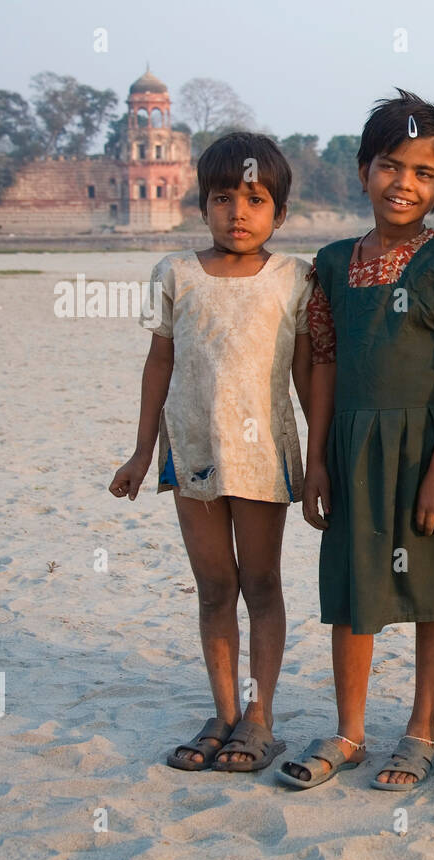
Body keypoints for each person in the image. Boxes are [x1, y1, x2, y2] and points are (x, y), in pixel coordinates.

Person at [275, 90, 434, 792]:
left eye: (424, 173)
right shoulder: (332, 263)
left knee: (432, 590)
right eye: (391, 166)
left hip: (429, 448)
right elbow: (323, 363)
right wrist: (316, 461)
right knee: (354, 588)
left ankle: (422, 731)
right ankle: (349, 732)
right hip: (352, 450)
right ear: (363, 170)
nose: (405, 183)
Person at [109, 131, 312, 773]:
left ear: (280, 212)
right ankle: (223, 714)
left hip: (263, 456)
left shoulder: (294, 277)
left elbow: (307, 374)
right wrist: (141, 452)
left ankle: (259, 717)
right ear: (202, 206)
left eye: (255, 200)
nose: (238, 213)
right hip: (192, 451)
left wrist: (321, 461)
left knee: (261, 583)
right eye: (223, 199)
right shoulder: (176, 272)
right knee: (214, 586)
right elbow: (159, 362)